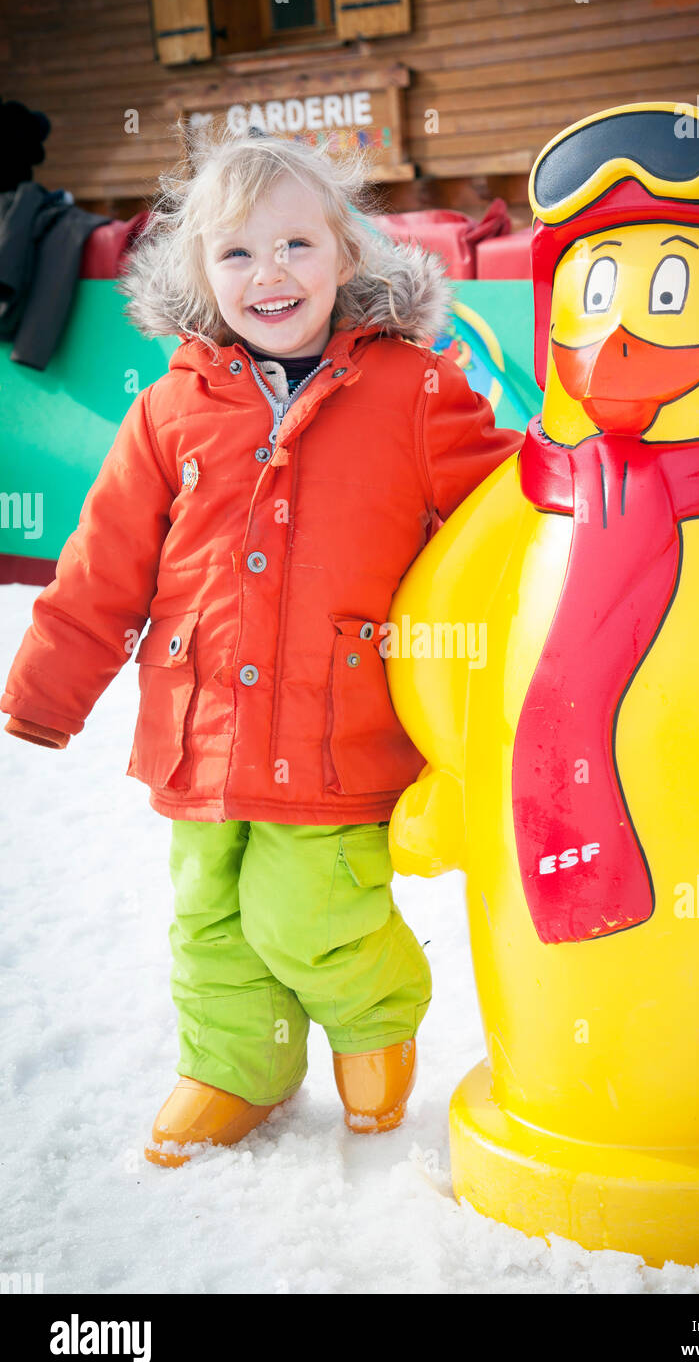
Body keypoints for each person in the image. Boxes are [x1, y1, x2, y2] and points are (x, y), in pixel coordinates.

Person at [0, 124, 523, 1166]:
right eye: (235, 252)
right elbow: (102, 568)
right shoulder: (167, 412)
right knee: (209, 922)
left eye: (294, 246)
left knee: (306, 909)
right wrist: (44, 693)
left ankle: (376, 1016)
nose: (267, 273)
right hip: (201, 731)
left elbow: (497, 527)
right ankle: (237, 1067)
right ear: (198, 273)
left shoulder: (413, 391)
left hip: (337, 731)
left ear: (345, 255)